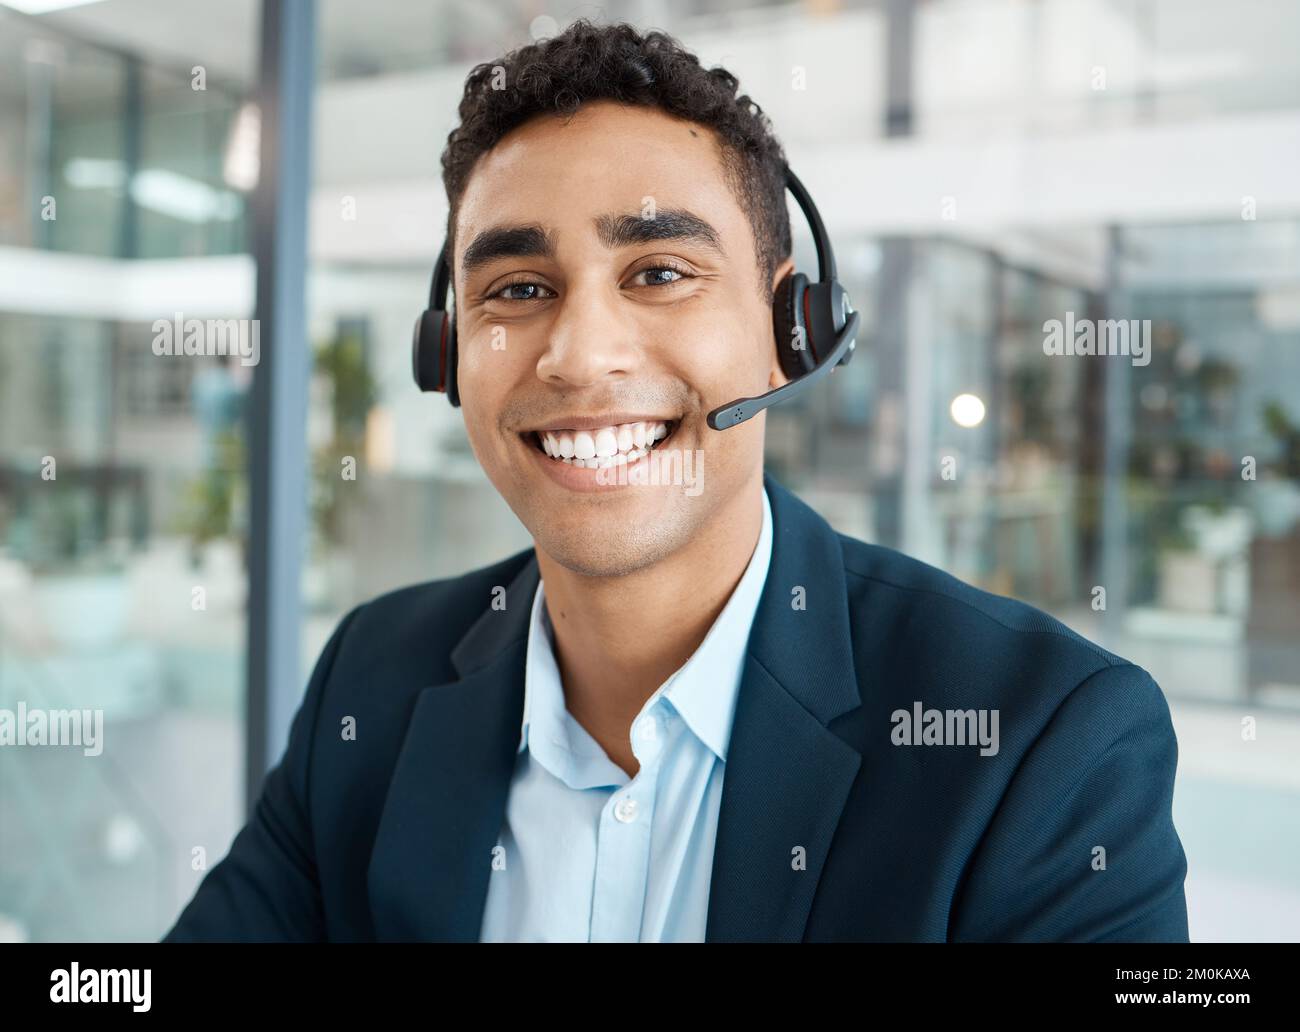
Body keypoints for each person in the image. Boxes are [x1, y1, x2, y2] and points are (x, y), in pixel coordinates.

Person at [164, 20, 1188, 942]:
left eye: (658, 272)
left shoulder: (1042, 742)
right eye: (517, 289)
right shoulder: (373, 680)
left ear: (796, 332)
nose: (576, 355)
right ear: (447, 355)